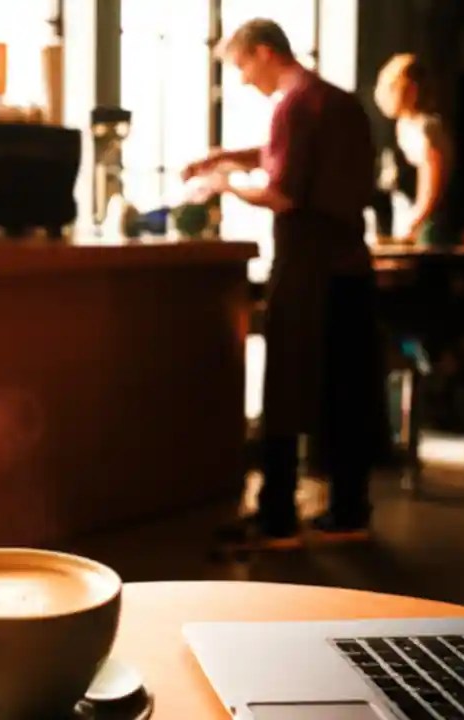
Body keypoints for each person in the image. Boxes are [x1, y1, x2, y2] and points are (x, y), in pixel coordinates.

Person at [184, 19, 384, 549]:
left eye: (244, 66)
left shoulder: (293, 106)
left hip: (308, 269)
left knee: (286, 388)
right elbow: (294, 157)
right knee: (346, 393)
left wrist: (223, 183)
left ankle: (277, 519)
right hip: (352, 268)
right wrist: (229, 157)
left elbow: (284, 195)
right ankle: (349, 513)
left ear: (266, 53)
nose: (245, 80)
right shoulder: (336, 101)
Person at [375, 53, 457, 246]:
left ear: (412, 89)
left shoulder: (428, 129)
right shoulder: (404, 125)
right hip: (406, 215)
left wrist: (413, 224)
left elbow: (431, 188)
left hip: (426, 223)